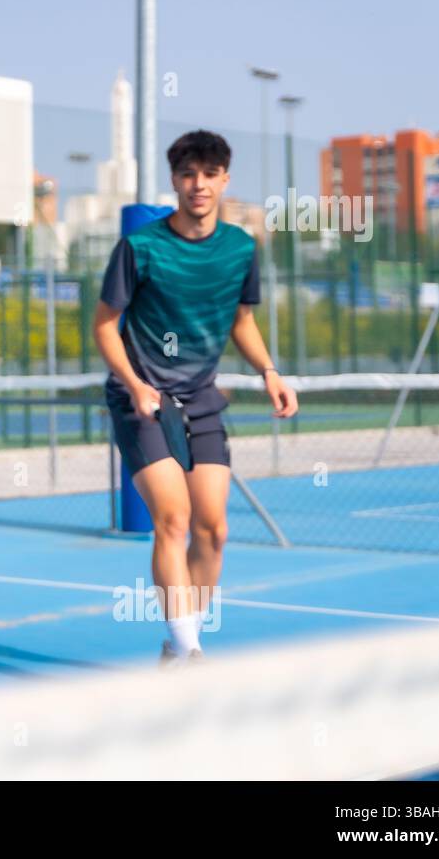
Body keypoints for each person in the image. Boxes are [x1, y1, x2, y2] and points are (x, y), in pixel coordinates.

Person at [93, 130, 297, 663]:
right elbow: (105, 326)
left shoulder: (241, 248)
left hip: (201, 400)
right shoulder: (139, 247)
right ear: (175, 182)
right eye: (187, 175)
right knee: (173, 519)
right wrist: (136, 386)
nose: (198, 185)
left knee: (213, 531)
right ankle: (189, 653)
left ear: (224, 179)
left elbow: (242, 320)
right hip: (142, 401)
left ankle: (179, 643)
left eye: (208, 174)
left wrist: (269, 371)